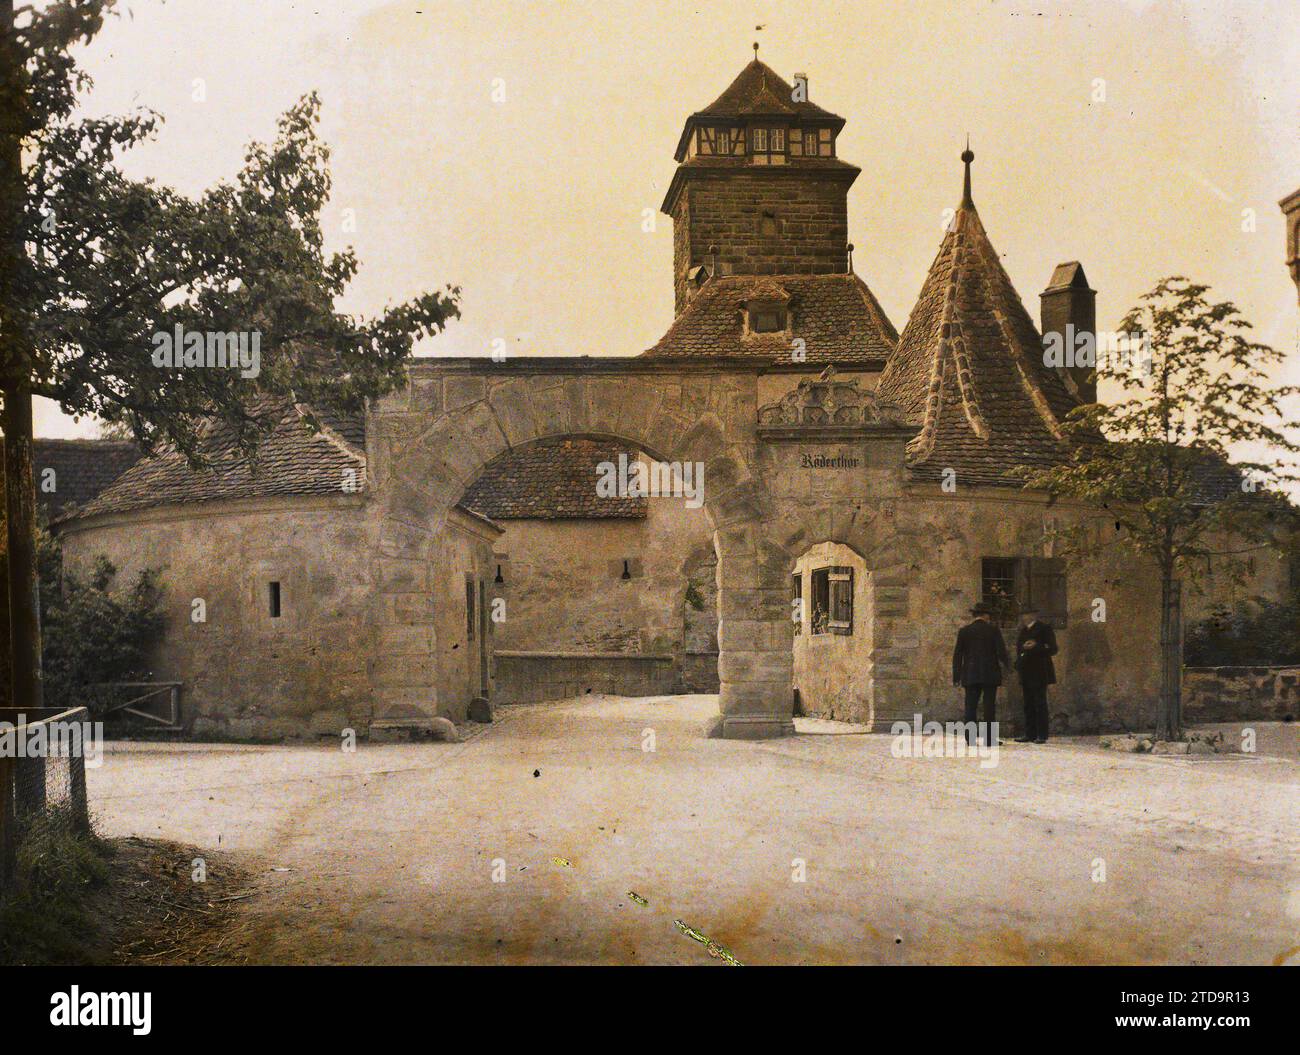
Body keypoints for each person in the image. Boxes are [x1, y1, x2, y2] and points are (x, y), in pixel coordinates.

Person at [952, 601, 1009, 746]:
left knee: (970, 706)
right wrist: (1010, 666)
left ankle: (970, 739)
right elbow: (1001, 652)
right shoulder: (993, 630)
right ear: (986, 615)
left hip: (970, 673)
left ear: (974, 615)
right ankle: (989, 739)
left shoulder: (964, 631)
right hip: (990, 674)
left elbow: (957, 655)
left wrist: (956, 676)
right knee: (989, 706)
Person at [1014, 606, 1058, 743]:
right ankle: (1030, 733)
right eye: (1022, 615)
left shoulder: (1044, 629)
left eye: (1026, 615)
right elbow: (1019, 648)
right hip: (1026, 671)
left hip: (1039, 671)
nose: (1023, 618)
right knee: (1028, 704)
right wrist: (1024, 648)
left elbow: (1053, 649)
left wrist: (1036, 645)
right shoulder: (1023, 631)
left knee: (1040, 703)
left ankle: (1042, 735)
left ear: (1033, 615)